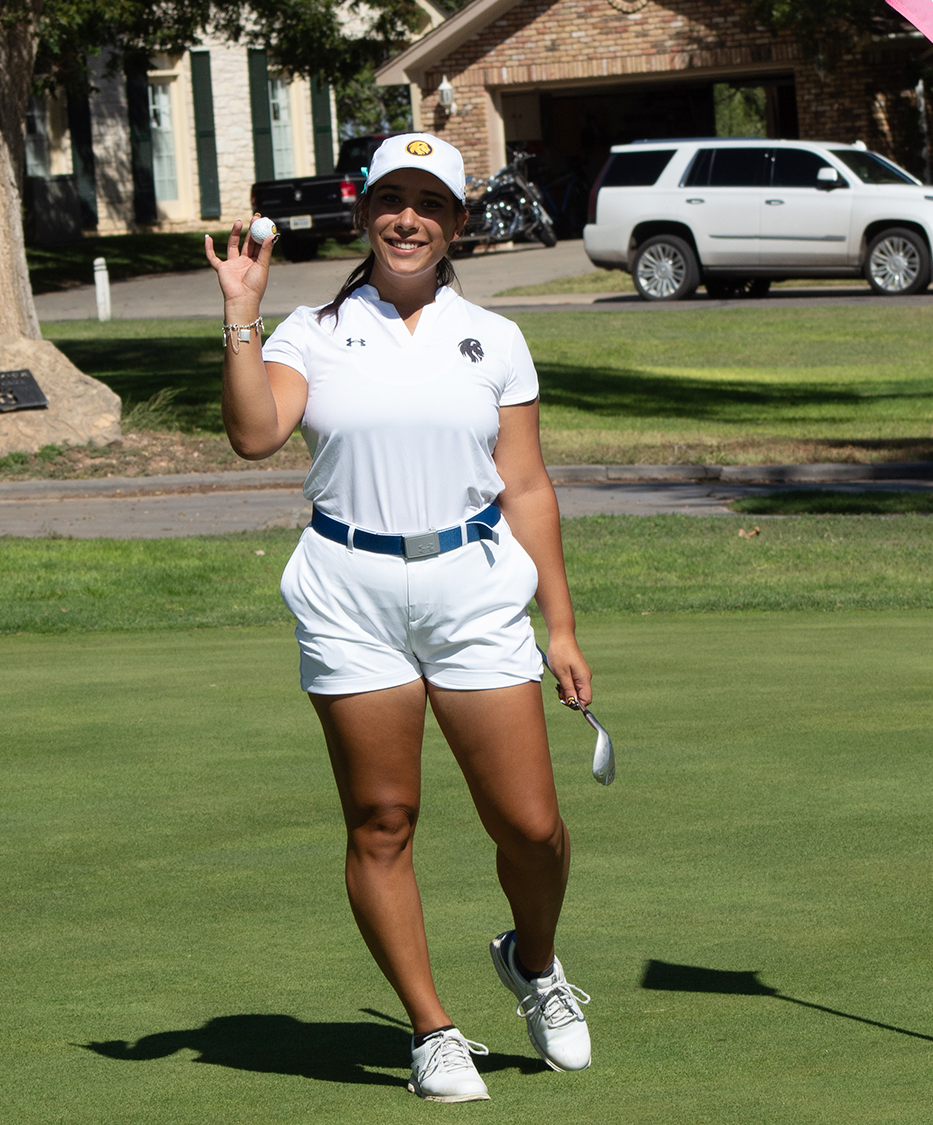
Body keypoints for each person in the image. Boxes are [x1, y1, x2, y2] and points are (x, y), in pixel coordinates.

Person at [204, 133, 594, 1104]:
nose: (407, 218)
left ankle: (533, 963)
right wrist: (241, 319)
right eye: (391, 200)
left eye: (429, 202)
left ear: (457, 221)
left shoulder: (494, 338)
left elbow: (527, 484)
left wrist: (561, 625)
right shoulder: (311, 331)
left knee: (531, 828)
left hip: (471, 586)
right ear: (364, 213)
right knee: (382, 820)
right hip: (349, 593)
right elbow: (255, 435)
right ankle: (433, 1030)